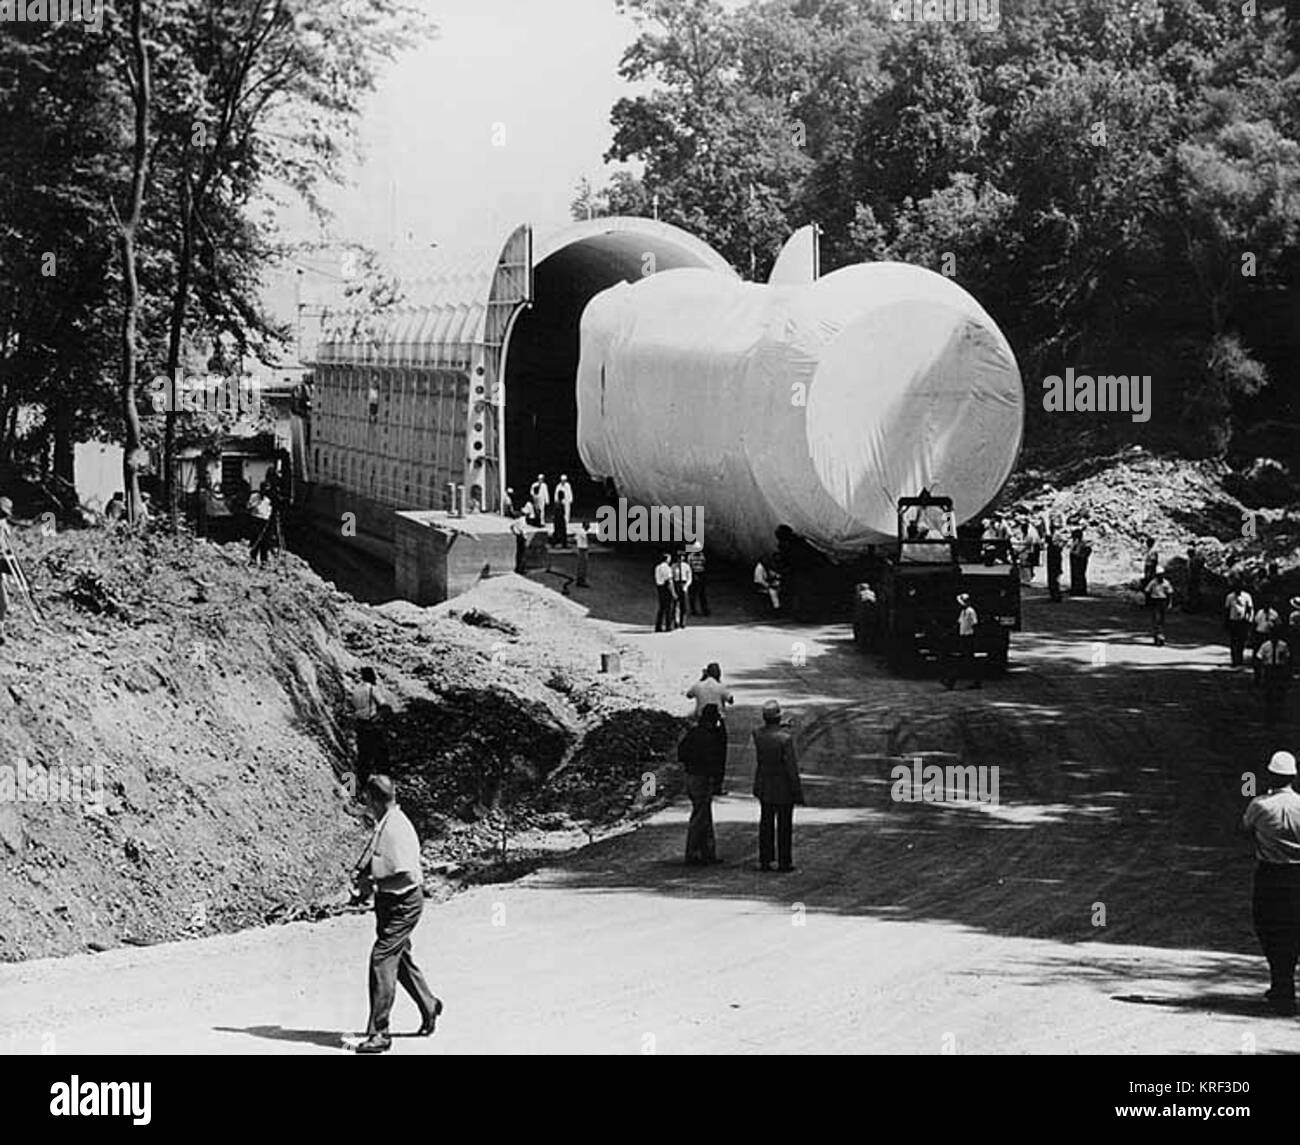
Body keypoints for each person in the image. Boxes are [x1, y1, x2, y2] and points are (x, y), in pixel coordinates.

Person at [352, 775, 443, 1053]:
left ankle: (380, 1033)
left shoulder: (396, 828)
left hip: (403, 903)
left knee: (381, 959)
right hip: (390, 901)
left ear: (373, 799)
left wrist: (373, 883)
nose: (366, 805)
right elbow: (382, 857)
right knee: (398, 958)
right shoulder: (387, 821)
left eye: (367, 800)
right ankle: (429, 1004)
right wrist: (366, 875)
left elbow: (407, 874)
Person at [1242, 752, 1300, 1016]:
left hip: (1271, 875)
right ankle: (1284, 984)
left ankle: (1282, 984)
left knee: (1270, 929)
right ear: (1293, 776)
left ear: (1271, 775)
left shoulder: (1260, 805)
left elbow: (1244, 830)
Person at [752, 700, 804, 873]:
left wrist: (781, 726)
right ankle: (784, 861)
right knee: (784, 825)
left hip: (765, 784)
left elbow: (764, 730)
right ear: (779, 717)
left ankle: (765, 859)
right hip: (783, 787)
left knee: (766, 823)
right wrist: (797, 791)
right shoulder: (785, 739)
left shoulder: (758, 735)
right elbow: (791, 767)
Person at [676, 704, 727, 865]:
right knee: (700, 816)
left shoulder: (694, 733)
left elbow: (681, 753)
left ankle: (707, 851)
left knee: (704, 814)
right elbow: (719, 753)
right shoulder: (710, 737)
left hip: (691, 775)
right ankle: (692, 853)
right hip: (702, 777)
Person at [351, 667, 392, 787]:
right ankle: (383, 783)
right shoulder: (372, 689)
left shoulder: (356, 690)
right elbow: (383, 705)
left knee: (363, 755)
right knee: (381, 753)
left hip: (360, 725)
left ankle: (361, 783)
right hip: (371, 725)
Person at [942, 593, 981, 690]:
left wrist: (975, 639)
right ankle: (976, 681)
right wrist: (948, 633)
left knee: (963, 660)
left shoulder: (970, 611)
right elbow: (958, 624)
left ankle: (950, 681)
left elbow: (975, 624)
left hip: (969, 638)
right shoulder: (963, 612)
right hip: (963, 638)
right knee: (968, 661)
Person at [1255, 633, 1291, 723]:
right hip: (1269, 668)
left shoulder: (1283, 645)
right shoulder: (1265, 645)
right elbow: (1259, 656)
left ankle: (1279, 710)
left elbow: (1287, 657)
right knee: (1269, 690)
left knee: (1279, 689)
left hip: (1279, 668)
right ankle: (1269, 710)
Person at [1225, 581, 1255, 668]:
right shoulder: (1230, 597)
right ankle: (1234, 660)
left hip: (1243, 622)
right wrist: (1226, 622)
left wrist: (1249, 619)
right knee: (1233, 641)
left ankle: (1240, 658)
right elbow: (1227, 609)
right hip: (1233, 621)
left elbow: (1250, 608)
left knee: (1242, 641)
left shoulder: (1246, 596)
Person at [1143, 566, 1174, 646]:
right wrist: (1147, 602)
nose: (1160, 576)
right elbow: (1147, 591)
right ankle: (1157, 634)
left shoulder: (1166, 583)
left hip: (1163, 601)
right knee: (1156, 619)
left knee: (1162, 619)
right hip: (1155, 601)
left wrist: (1169, 603)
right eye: (1159, 575)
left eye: (1161, 575)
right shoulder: (1153, 582)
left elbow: (1170, 593)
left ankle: (1161, 634)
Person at [1253, 597, 1281, 678]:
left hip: (1268, 635)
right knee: (1258, 654)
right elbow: (1255, 622)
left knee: (1268, 651)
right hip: (1259, 634)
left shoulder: (1274, 614)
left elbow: (1278, 624)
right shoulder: (1260, 613)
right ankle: (1257, 672)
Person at [248, 483, 275, 567]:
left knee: (265, 541)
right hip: (256, 519)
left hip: (266, 520)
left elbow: (272, 508)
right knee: (256, 539)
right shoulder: (255, 496)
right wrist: (256, 503)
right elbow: (248, 506)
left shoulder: (270, 498)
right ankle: (253, 559)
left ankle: (264, 560)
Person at [685, 541, 709, 616]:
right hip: (694, 574)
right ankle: (693, 610)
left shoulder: (701, 555)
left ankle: (704, 610)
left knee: (702, 593)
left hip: (701, 574)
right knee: (693, 594)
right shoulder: (691, 556)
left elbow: (704, 564)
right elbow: (689, 566)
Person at [653, 552, 675, 633]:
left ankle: (658, 626)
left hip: (659, 587)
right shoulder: (667, 568)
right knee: (669, 608)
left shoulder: (657, 567)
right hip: (666, 587)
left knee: (661, 608)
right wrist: (673, 592)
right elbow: (669, 580)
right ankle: (668, 626)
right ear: (667, 559)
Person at [671, 550, 692, 629]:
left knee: (684, 605)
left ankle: (683, 622)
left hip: (683, 584)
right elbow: (671, 577)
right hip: (676, 584)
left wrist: (686, 586)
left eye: (682, 557)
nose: (680, 559)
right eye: (679, 557)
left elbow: (689, 578)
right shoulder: (673, 566)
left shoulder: (686, 566)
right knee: (675, 605)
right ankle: (675, 622)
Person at [1068, 528, 1092, 595]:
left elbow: (1076, 552)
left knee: (1079, 576)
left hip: (1079, 562)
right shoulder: (1081, 543)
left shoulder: (1080, 544)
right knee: (1078, 576)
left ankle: (1079, 590)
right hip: (1078, 562)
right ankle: (1078, 589)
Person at [552, 474, 572, 547]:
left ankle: (566, 522)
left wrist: (570, 500)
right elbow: (556, 494)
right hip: (561, 503)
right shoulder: (558, 486)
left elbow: (569, 493)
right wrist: (557, 500)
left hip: (566, 502)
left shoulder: (568, 485)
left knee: (567, 513)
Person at [1045, 529, 1064, 603]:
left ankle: (1056, 596)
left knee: (1054, 582)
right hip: (1052, 567)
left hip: (1054, 567)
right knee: (1053, 582)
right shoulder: (1053, 548)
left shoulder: (1053, 548)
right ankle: (1054, 596)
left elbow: (1057, 559)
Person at [1186, 542, 1205, 613]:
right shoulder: (1193, 559)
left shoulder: (1194, 560)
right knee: (1193, 592)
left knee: (1193, 592)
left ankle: (1193, 607)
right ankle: (1193, 606)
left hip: (1194, 578)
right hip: (1193, 578)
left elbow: (1195, 569)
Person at [573, 520, 590, 587]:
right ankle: (581, 580)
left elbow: (575, 538)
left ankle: (579, 580)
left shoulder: (580, 532)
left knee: (580, 566)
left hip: (580, 549)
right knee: (583, 566)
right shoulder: (583, 533)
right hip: (583, 549)